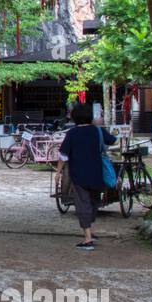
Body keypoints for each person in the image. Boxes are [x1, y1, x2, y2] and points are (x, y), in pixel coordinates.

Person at [55, 102, 117, 252]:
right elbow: (113, 140)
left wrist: (58, 172)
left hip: (79, 175)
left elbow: (63, 155)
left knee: (83, 204)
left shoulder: (72, 133)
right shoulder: (97, 131)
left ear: (75, 118)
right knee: (94, 202)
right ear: (90, 117)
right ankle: (91, 232)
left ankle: (88, 238)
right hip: (97, 173)